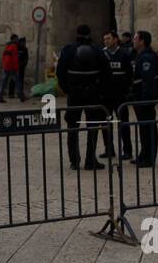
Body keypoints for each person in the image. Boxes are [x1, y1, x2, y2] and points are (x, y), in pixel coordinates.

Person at [56, 24, 109, 170]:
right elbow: (107, 73)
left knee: (73, 127)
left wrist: (67, 89)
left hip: (74, 94)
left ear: (77, 34)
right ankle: (90, 160)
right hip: (93, 94)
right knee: (92, 126)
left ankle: (74, 161)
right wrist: (100, 91)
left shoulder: (68, 50)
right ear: (90, 34)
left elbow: (60, 71)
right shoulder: (97, 50)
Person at [100, 30, 134, 161]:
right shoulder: (102, 54)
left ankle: (127, 150)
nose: (106, 41)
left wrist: (126, 90)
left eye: (108, 38)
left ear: (115, 39)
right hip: (106, 95)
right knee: (106, 123)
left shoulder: (124, 54)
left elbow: (129, 74)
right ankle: (109, 149)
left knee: (123, 123)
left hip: (120, 95)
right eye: (105, 39)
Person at [130, 30, 158, 168]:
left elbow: (147, 80)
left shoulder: (147, 57)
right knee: (143, 127)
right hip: (139, 96)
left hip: (145, 98)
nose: (133, 41)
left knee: (148, 127)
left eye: (135, 39)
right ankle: (144, 153)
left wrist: (144, 99)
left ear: (142, 41)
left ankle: (149, 157)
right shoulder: (140, 55)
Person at [0, 35, 20, 103]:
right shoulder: (14, 46)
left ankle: (0, 96)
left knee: (3, 82)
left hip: (6, 66)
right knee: (17, 81)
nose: (18, 40)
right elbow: (15, 58)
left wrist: (4, 65)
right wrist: (16, 68)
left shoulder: (7, 46)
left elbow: (3, 56)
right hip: (11, 67)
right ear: (14, 39)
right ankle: (21, 95)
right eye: (17, 38)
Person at [16, 36, 30, 101]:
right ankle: (19, 94)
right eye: (23, 42)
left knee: (20, 81)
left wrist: (23, 64)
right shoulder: (16, 48)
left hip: (21, 67)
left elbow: (26, 58)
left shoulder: (25, 49)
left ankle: (20, 94)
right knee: (17, 81)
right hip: (15, 67)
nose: (24, 43)